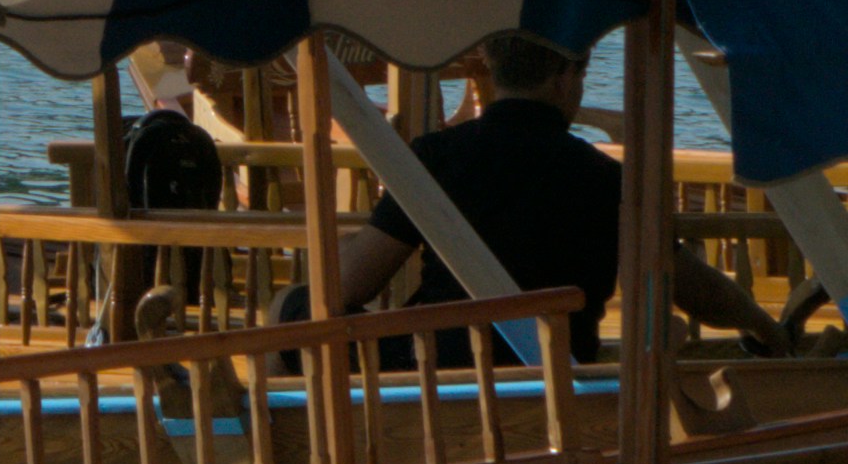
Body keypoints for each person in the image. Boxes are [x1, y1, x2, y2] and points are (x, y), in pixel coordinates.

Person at [321, 34, 785, 352]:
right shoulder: (605, 178)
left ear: (494, 67)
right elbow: (687, 285)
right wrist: (761, 324)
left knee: (296, 307)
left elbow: (351, 286)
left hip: (441, 368)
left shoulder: (437, 157)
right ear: (563, 77)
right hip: (559, 368)